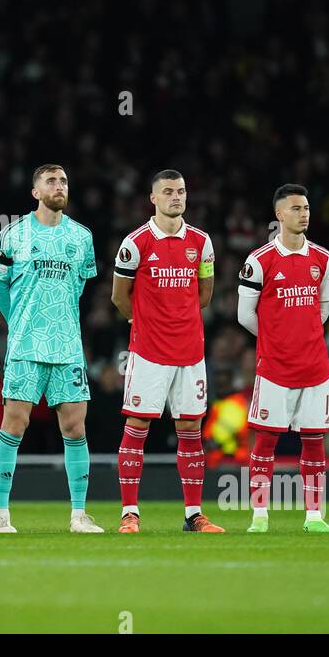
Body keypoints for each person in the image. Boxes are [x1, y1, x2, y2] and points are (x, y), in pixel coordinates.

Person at [0, 163, 103, 534]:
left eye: (64, 181)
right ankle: (0, 515)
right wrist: (19, 322)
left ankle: (78, 515)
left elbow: (81, 289)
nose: (59, 186)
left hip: (66, 346)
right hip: (25, 345)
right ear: (35, 191)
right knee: (14, 424)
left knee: (74, 427)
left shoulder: (82, 237)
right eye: (51, 181)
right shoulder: (13, 235)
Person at [111, 169, 224, 534]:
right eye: (169, 192)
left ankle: (193, 514)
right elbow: (118, 296)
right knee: (137, 425)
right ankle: (130, 512)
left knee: (191, 428)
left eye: (181, 191)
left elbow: (203, 294)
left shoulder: (202, 242)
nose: (177, 197)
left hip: (190, 352)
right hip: (147, 353)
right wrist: (145, 322)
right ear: (153, 198)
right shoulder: (135, 243)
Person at [237, 184, 329, 533]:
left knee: (314, 441)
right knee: (266, 441)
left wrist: (301, 335)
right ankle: (260, 516)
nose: (304, 213)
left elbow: (324, 310)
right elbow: (244, 315)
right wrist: (276, 338)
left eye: (307, 207)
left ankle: (314, 516)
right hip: (275, 368)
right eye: (296, 208)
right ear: (280, 214)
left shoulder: (323, 259)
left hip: (315, 366)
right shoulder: (260, 260)